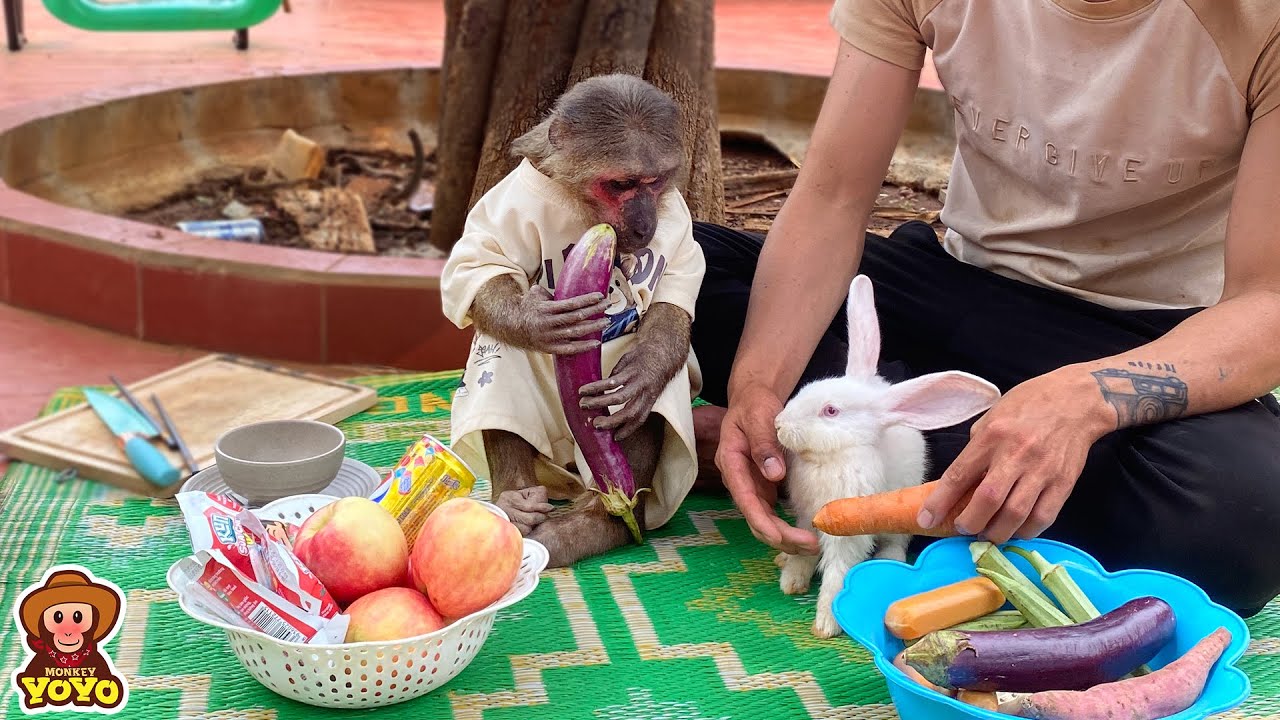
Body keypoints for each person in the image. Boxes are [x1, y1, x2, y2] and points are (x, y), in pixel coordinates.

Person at [690, 0, 1280, 617]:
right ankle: (911, 456)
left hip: (1150, 334)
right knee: (672, 266)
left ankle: (855, 463)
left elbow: (1266, 302)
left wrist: (1085, 401)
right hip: (958, 284)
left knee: (1246, 524)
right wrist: (758, 388)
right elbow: (832, 198)